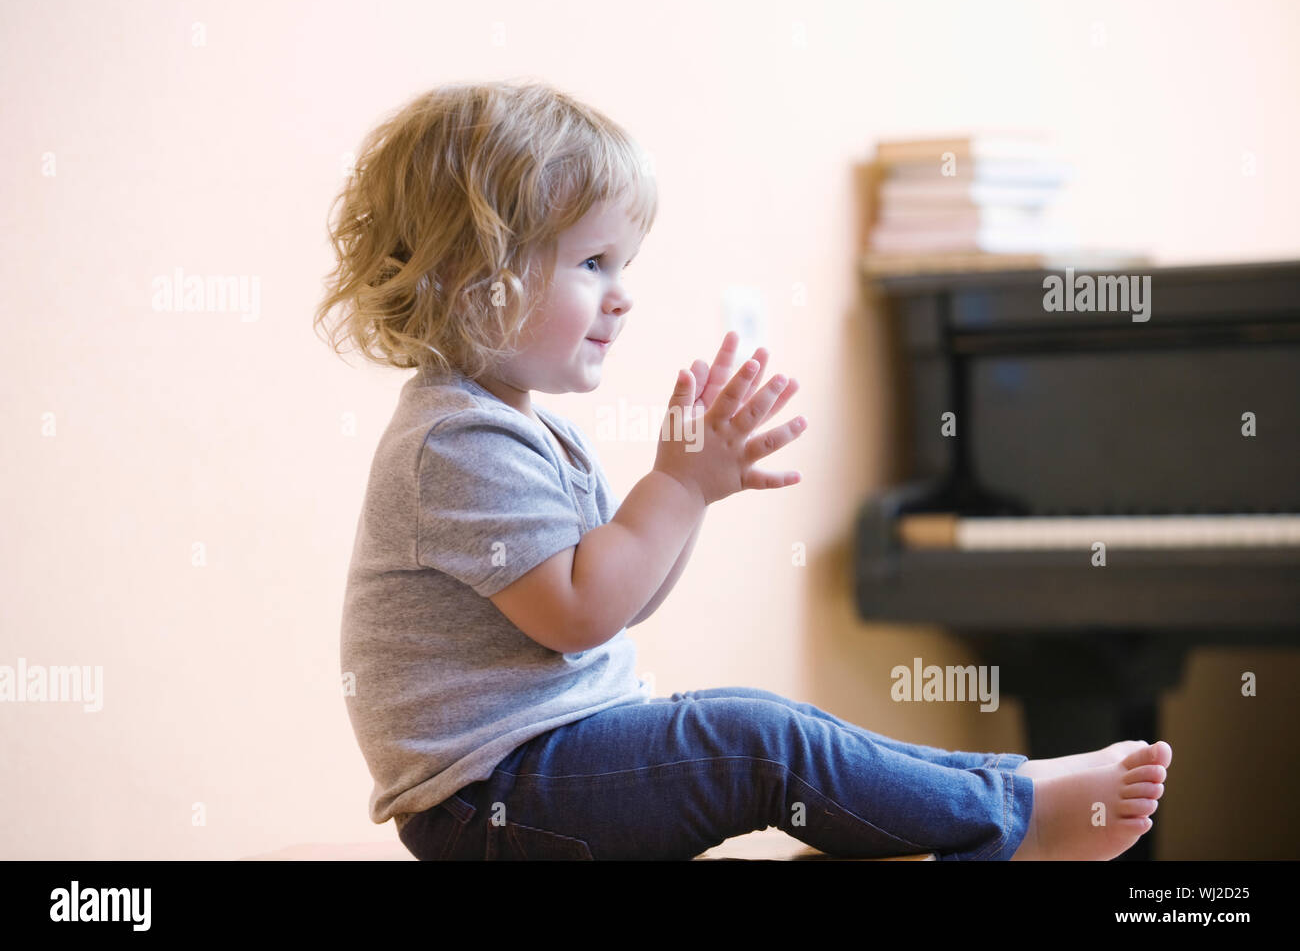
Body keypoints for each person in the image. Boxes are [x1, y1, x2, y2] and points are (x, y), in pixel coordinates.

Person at [315, 79, 1171, 860]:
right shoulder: (455, 442)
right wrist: (678, 485)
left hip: (548, 761)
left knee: (780, 724)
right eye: (590, 263)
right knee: (760, 740)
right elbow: (578, 614)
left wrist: (695, 494)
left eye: (625, 265)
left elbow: (622, 600)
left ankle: (1008, 789)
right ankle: (1011, 823)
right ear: (475, 279)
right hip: (489, 801)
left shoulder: (532, 432)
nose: (622, 294)